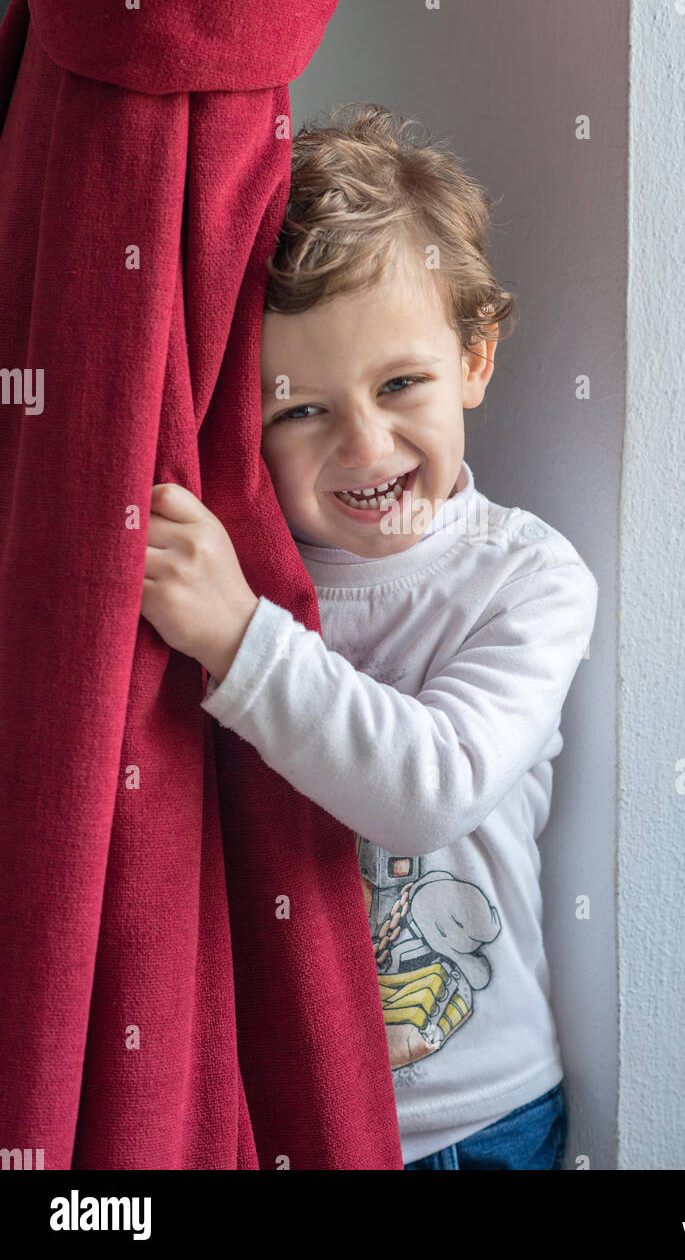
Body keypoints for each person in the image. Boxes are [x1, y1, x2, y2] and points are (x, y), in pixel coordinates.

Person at [140, 103, 598, 1170]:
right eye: (299, 409)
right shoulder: (246, 570)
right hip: (280, 1098)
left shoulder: (526, 580)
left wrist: (241, 640)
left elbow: (428, 786)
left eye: (401, 385)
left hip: (482, 1118)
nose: (364, 442)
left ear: (477, 356)